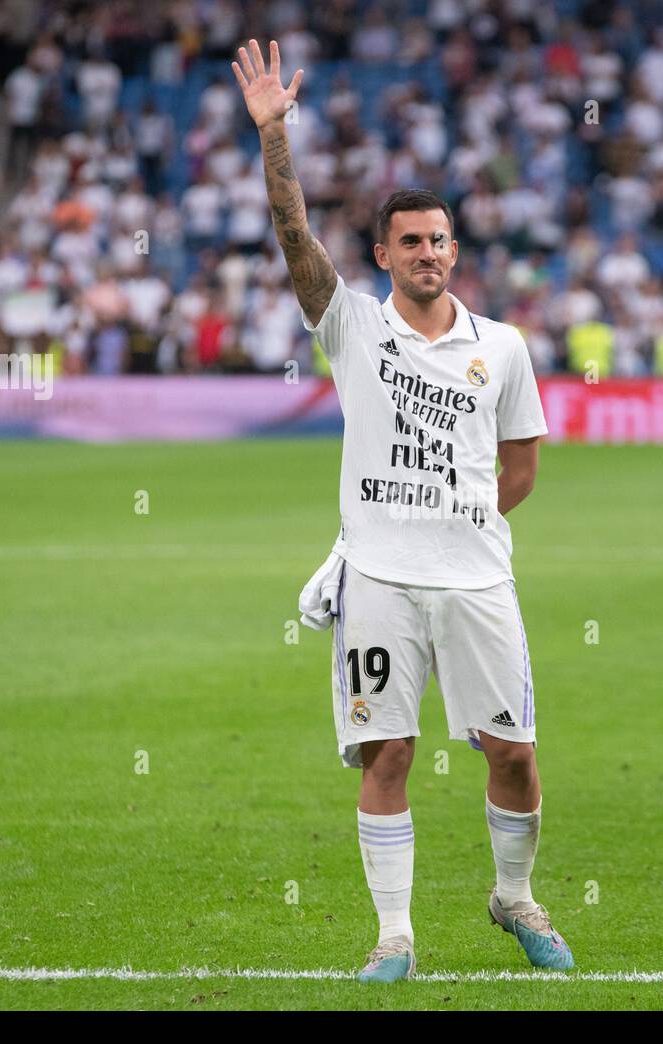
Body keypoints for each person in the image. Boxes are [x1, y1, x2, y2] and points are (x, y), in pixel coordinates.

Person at [234, 39, 571, 982]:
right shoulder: (352, 324)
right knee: (389, 752)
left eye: (440, 240)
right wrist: (275, 138)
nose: (428, 253)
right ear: (382, 255)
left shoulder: (502, 347)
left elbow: (522, 468)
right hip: (377, 580)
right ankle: (394, 936)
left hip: (476, 579)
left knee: (514, 754)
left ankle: (513, 896)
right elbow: (295, 236)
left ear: (455, 249)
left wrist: (456, 521)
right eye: (410, 241)